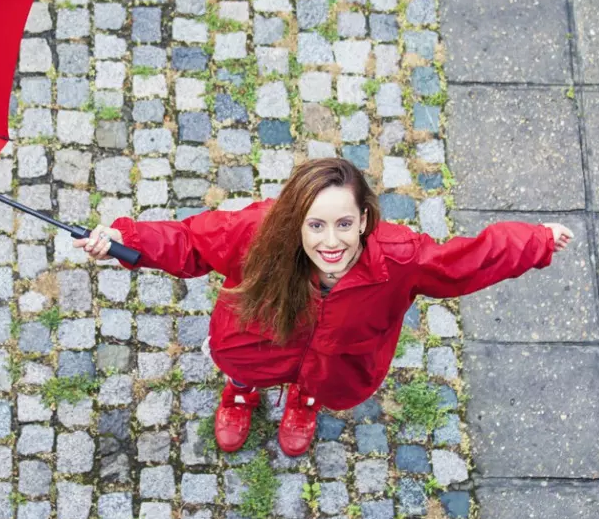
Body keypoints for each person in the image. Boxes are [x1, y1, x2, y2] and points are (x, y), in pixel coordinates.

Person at [73, 158, 573, 457]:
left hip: (339, 359)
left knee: (317, 385)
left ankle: (303, 404)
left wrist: (537, 241)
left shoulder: (400, 258)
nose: (330, 241)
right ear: (295, 221)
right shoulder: (259, 232)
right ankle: (241, 395)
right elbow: (190, 244)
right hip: (255, 342)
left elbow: (466, 261)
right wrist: (124, 240)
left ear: (363, 219)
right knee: (246, 371)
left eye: (343, 224)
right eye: (315, 225)